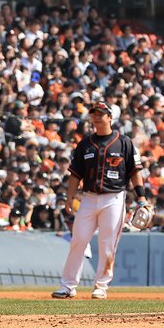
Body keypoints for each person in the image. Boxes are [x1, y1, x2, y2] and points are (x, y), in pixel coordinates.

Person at [52, 101, 144, 300]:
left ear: (110, 117)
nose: (96, 117)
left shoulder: (124, 142)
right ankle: (68, 286)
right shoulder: (85, 144)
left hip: (114, 198)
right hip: (88, 198)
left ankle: (101, 286)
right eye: (94, 114)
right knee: (78, 240)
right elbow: (75, 175)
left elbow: (135, 172)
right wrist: (69, 198)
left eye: (101, 113)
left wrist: (142, 198)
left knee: (107, 243)